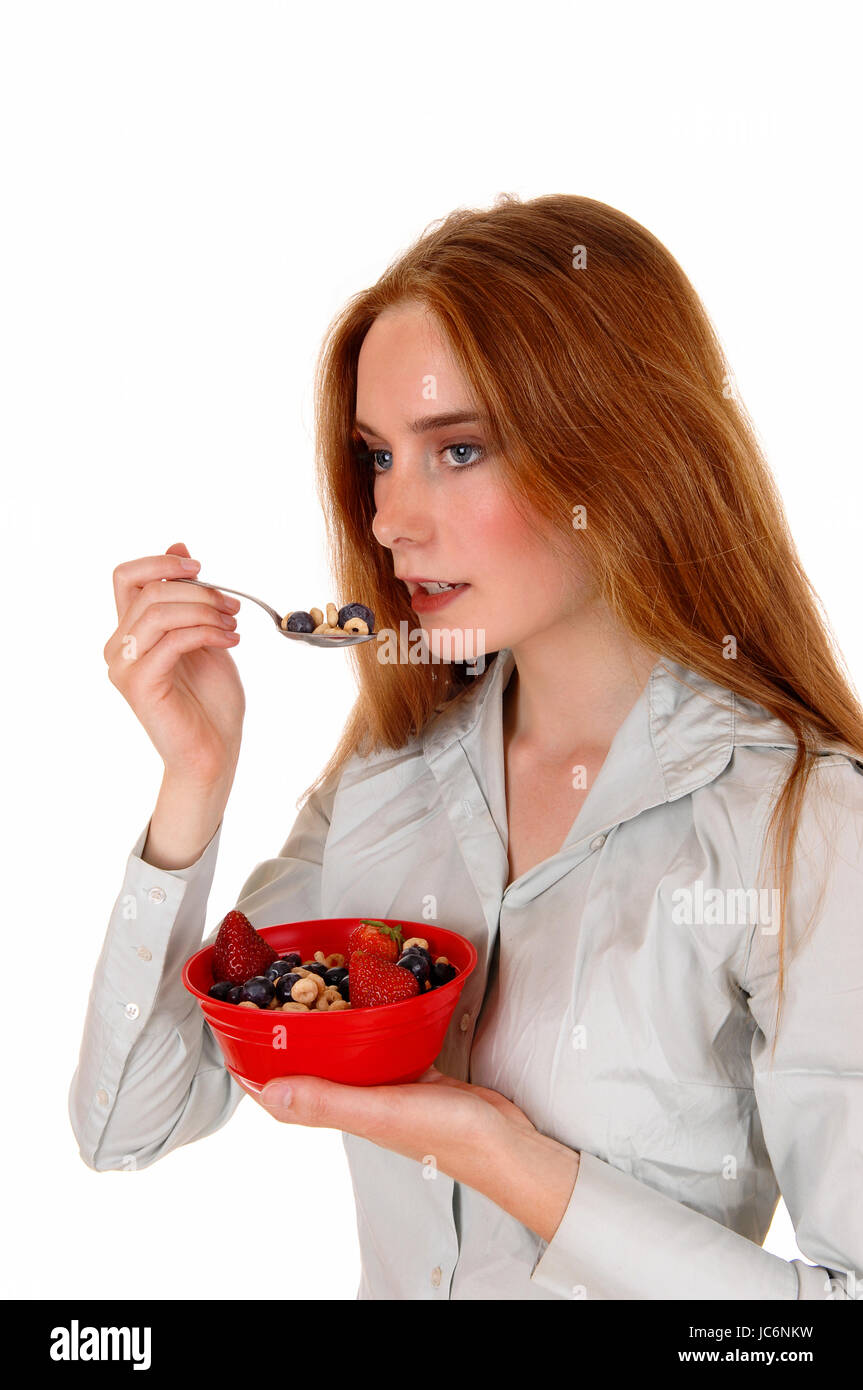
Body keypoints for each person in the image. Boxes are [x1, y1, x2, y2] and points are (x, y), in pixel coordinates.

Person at [71, 193, 863, 1300]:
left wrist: (503, 1154)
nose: (391, 517)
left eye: (457, 448)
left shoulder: (796, 822)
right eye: (378, 457)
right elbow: (128, 1121)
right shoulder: (390, 769)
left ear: (618, 453)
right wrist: (193, 783)